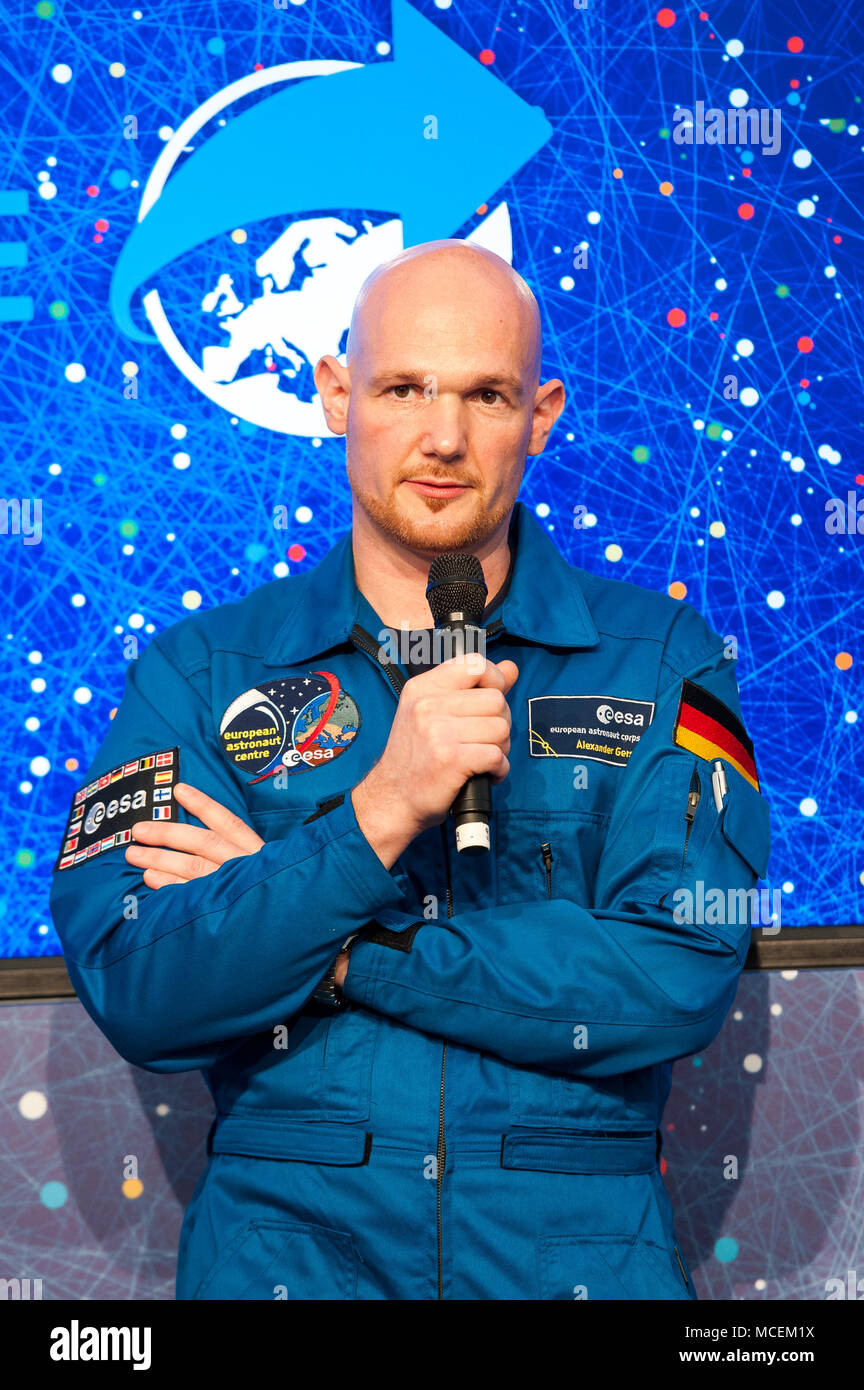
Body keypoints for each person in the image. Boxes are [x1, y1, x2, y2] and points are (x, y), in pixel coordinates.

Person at [49, 239, 771, 1301]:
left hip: (573, 1266)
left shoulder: (666, 661)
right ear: (337, 395)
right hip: (285, 1266)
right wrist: (376, 814)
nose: (444, 436)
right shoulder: (199, 674)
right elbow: (139, 982)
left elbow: (675, 976)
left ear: (544, 414)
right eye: (404, 387)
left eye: (487, 394)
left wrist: (341, 948)